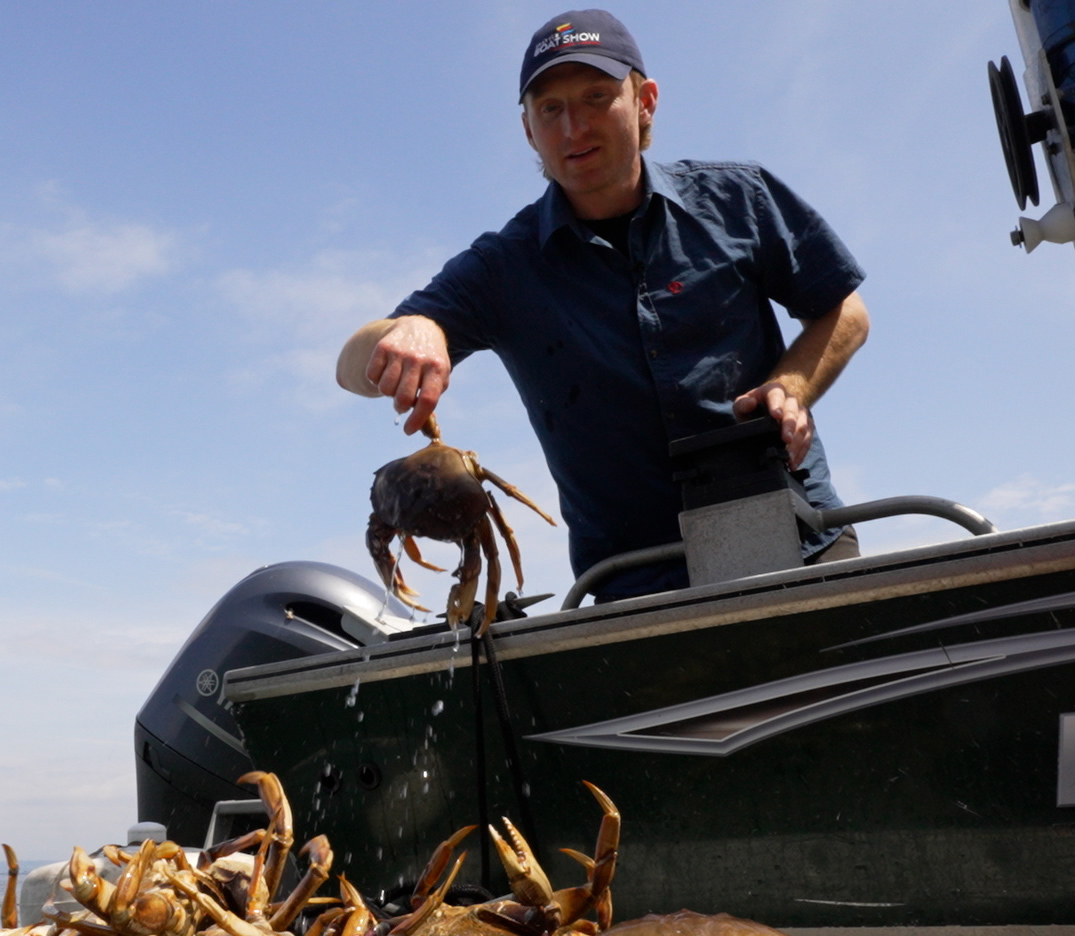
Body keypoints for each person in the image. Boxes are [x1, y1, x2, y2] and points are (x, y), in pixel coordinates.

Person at [336, 9, 870, 600]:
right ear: (527, 130)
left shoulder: (740, 198)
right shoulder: (501, 267)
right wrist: (412, 327)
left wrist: (791, 387)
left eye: (596, 97)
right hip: (634, 585)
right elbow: (350, 366)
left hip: (801, 541)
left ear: (646, 101)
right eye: (551, 109)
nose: (573, 128)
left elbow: (844, 311)